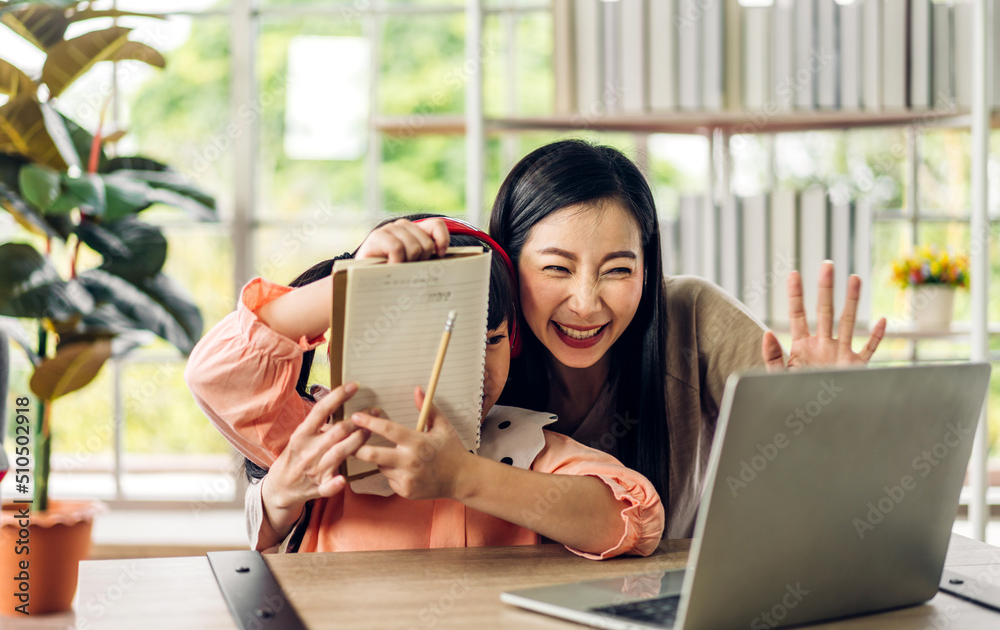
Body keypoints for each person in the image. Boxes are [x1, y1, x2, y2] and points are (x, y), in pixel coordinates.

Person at [185, 216, 664, 558]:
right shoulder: (324, 438)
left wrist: (462, 477)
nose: (475, 365)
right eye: (436, 340)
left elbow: (635, 519)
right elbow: (218, 372)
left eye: (492, 339)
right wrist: (351, 283)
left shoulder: (523, 447)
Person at [484, 139, 887, 538]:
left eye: (618, 270)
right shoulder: (480, 338)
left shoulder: (691, 314)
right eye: (557, 268)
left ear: (647, 266)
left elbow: (812, 475)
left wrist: (830, 409)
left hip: (661, 590)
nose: (586, 305)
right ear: (508, 262)